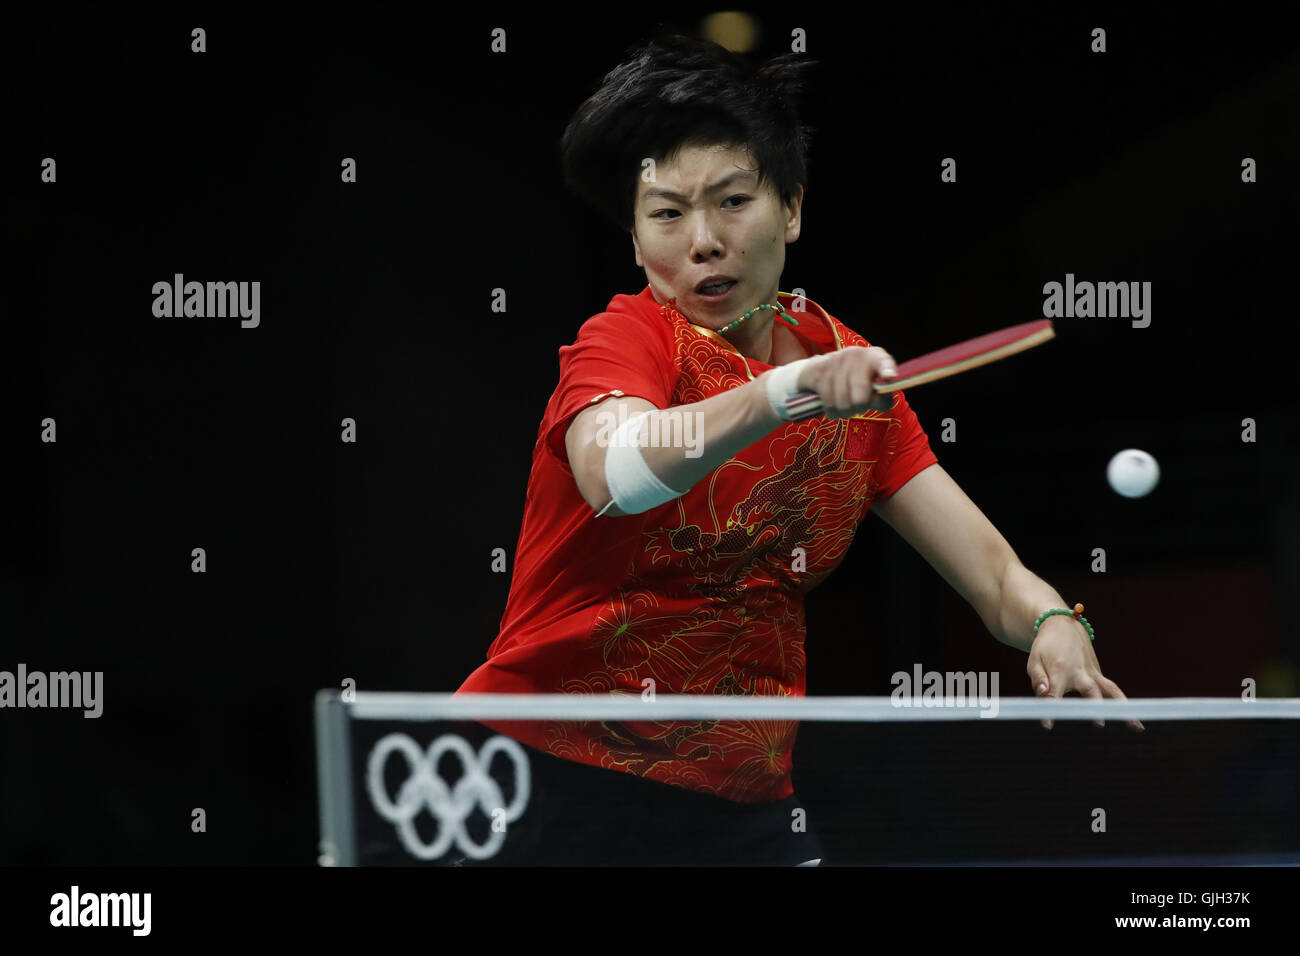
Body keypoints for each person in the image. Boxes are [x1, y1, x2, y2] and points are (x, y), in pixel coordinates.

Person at [453, 30, 1139, 866]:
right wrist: (788, 393)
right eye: (667, 214)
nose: (702, 238)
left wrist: (1052, 622)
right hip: (551, 775)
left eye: (732, 201)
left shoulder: (859, 386)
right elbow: (615, 473)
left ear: (792, 207)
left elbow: (995, 578)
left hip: (743, 798)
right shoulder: (628, 338)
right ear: (636, 243)